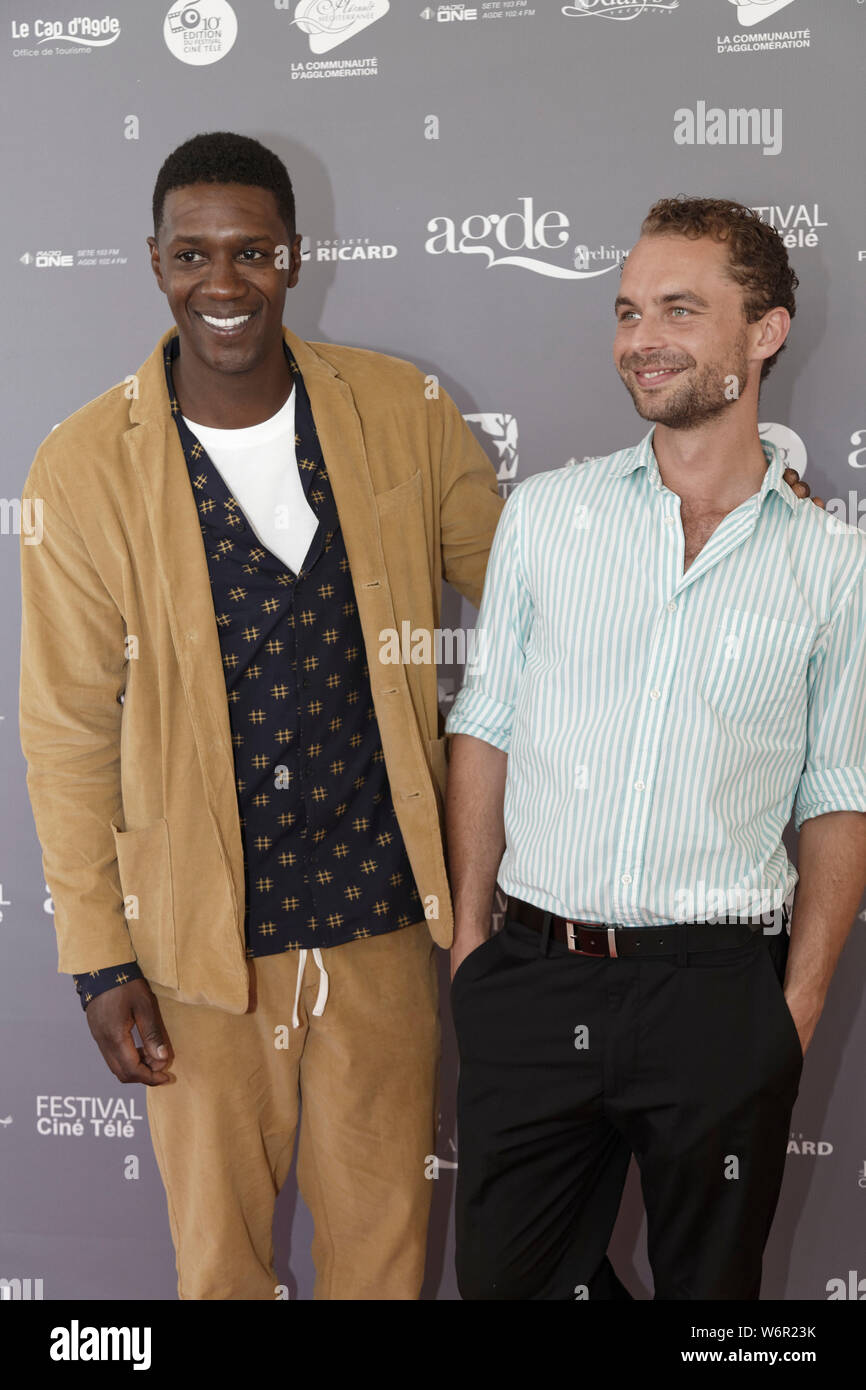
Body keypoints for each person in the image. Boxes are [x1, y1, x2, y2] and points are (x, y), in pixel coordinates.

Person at [18, 130, 504, 1300]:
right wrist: (98, 962)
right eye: (193, 253)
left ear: (293, 255)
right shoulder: (82, 467)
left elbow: (529, 579)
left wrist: (714, 496)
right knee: (220, 1271)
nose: (221, 282)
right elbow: (66, 731)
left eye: (249, 251)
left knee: (382, 1264)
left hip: (382, 920)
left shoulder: (398, 408)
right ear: (154, 263)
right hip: (195, 946)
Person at [444, 196, 866, 1301]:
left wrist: (797, 1004)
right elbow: (485, 724)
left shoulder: (832, 566)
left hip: (717, 996)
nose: (640, 339)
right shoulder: (544, 515)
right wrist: (470, 944)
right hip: (531, 979)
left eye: (679, 309)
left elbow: (838, 792)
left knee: (710, 1300)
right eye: (628, 310)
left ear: (762, 331)